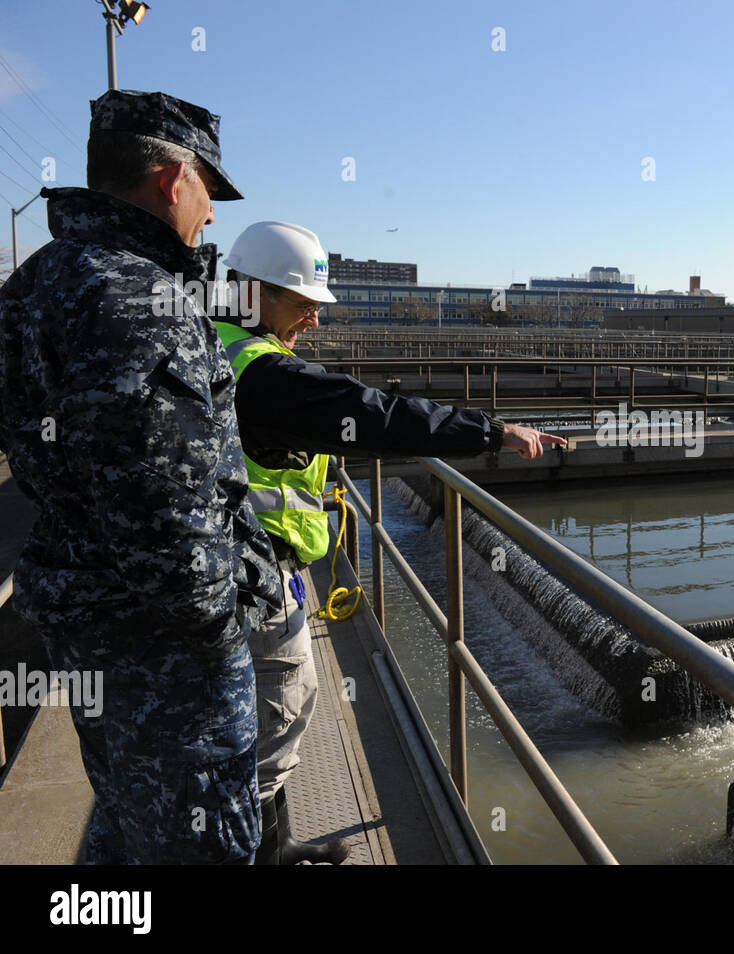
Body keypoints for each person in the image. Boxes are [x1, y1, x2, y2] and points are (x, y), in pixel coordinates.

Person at [215, 220, 565, 864]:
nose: (314, 323)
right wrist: (491, 432)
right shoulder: (262, 373)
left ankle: (280, 841)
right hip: (256, 577)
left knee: (271, 717)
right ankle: (263, 855)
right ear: (255, 293)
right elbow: (377, 414)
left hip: (246, 566)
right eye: (303, 306)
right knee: (276, 717)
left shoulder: (216, 345)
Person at [0, 90, 280, 864]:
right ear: (169, 179)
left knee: (127, 821)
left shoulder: (39, 282)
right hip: (168, 654)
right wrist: (226, 618)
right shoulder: (137, 296)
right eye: (208, 192)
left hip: (90, 620)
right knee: (202, 845)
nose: (211, 215)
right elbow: (165, 519)